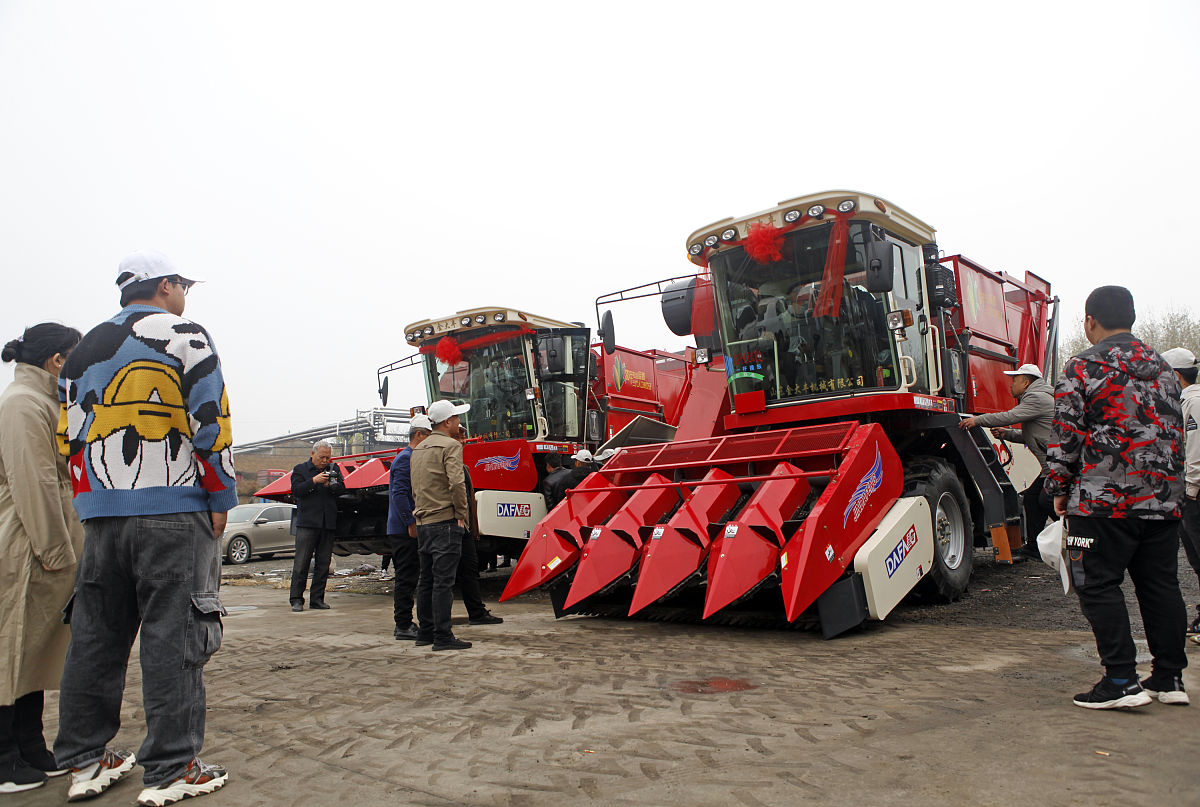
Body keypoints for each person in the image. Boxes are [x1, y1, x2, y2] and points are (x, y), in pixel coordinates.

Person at [54, 250, 236, 802]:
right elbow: (210, 416)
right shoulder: (185, 334)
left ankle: (85, 759)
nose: (185, 296)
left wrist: (91, 501)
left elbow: (67, 436)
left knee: (96, 636)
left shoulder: (82, 350)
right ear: (165, 286)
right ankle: (172, 766)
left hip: (101, 514)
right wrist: (221, 494)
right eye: (183, 286)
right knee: (175, 636)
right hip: (174, 510)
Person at [1044, 286, 1188, 709]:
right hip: (1162, 500)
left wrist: (1057, 488)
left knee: (1098, 584)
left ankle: (1121, 680)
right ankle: (1169, 678)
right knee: (1161, 586)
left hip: (1102, 500)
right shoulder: (1164, 369)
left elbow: (1066, 434)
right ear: (1132, 318)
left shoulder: (1083, 366)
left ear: (1090, 321)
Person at [0, 324, 83, 794]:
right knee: (10, 646)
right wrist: (55, 549)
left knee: (35, 649)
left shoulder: (46, 402)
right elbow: (34, 483)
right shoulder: (22, 404)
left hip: (45, 541)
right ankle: (3, 755)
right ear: (57, 360)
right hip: (25, 542)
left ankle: (30, 743)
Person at [958, 363, 1055, 559]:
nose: (1011, 384)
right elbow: (1035, 435)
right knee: (1032, 498)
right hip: (1051, 466)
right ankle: (1034, 548)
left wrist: (977, 420)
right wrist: (1007, 434)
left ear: (1026, 382)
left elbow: (1009, 416)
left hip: (1056, 466)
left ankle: (1075, 533)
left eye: (1014, 380)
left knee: (1047, 500)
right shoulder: (1040, 397)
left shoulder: (1036, 398)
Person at [411, 400, 473, 651]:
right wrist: (461, 514)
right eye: (456, 418)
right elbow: (457, 483)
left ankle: (425, 632)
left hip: (424, 521)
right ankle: (443, 636)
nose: (459, 422)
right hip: (445, 521)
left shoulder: (419, 448)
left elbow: (416, 486)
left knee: (426, 579)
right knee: (443, 582)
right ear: (447, 422)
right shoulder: (451, 446)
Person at [1161, 347, 1200, 642]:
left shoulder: (1193, 402)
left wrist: (1192, 488)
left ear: (1175, 375)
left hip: (1195, 492)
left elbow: (1196, 449)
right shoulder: (1185, 401)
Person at [386, 413, 432, 640]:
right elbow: (399, 494)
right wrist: (410, 522)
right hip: (403, 530)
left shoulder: (411, 457)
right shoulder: (406, 459)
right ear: (419, 435)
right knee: (406, 577)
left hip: (406, 526)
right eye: (429, 436)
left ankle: (406, 622)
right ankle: (403, 624)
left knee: (412, 575)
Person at [453, 425, 503, 626]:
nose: (464, 441)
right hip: (452, 526)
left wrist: (473, 528)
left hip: (464, 527)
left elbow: (469, 498)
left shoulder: (463, 467)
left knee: (470, 570)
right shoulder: (448, 463)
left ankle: (476, 612)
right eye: (459, 437)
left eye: (464, 437)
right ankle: (435, 622)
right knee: (444, 575)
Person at [289, 441, 344, 612]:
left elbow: (343, 489)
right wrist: (314, 481)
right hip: (307, 523)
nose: (325, 461)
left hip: (327, 523)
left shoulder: (334, 469)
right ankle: (296, 599)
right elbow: (296, 490)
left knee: (323, 564)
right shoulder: (300, 470)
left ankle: (317, 599)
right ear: (313, 454)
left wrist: (333, 486)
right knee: (301, 563)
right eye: (322, 457)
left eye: (328, 457)